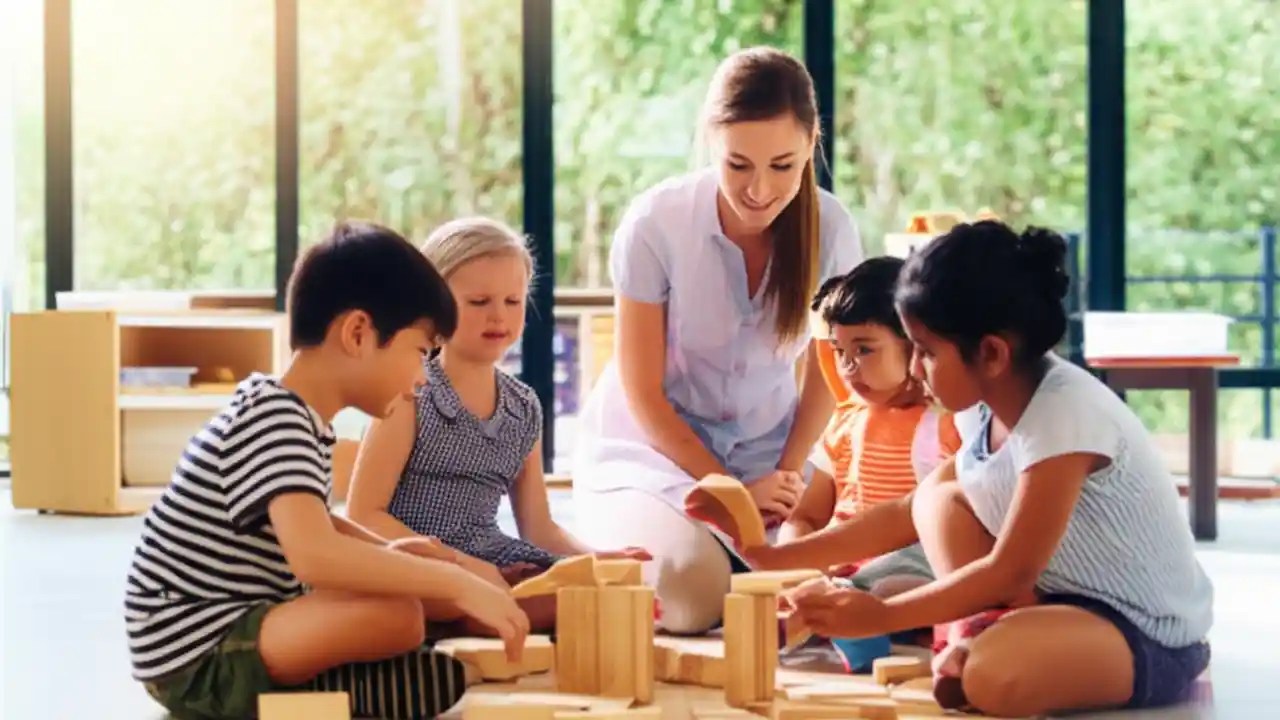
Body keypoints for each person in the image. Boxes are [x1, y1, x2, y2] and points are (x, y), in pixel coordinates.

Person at [747, 221, 1213, 717]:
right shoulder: (982, 404)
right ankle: (985, 634)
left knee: (993, 679)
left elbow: (1011, 571)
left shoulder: (1063, 414)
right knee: (936, 497)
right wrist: (776, 558)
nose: (913, 370)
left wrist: (879, 614)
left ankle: (986, 642)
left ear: (991, 353)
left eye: (925, 353)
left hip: (1143, 629)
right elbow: (908, 512)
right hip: (1058, 600)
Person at [123, 220, 530, 720]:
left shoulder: (292, 414)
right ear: (359, 333)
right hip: (195, 651)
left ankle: (346, 680)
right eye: (419, 352)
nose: (422, 377)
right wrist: (454, 583)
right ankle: (319, 694)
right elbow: (315, 554)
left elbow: (320, 521)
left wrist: (415, 559)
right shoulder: (276, 420)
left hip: (238, 623)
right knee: (400, 609)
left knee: (410, 582)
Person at [570, 45, 865, 634]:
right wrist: (731, 494)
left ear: (812, 144)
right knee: (692, 594)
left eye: (783, 165)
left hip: (771, 456)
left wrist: (782, 482)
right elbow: (644, 395)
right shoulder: (656, 223)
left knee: (849, 570)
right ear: (711, 144)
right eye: (738, 165)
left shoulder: (831, 229)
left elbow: (829, 381)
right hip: (654, 455)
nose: (759, 189)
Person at [347, 217, 649, 632]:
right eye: (478, 302)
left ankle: (504, 614)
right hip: (419, 564)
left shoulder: (524, 407)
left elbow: (539, 527)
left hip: (494, 560)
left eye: (513, 301)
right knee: (559, 607)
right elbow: (364, 515)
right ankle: (491, 616)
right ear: (436, 304)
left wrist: (596, 560)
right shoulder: (410, 393)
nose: (498, 316)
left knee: (602, 591)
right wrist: (460, 567)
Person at [780, 257, 961, 600]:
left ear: (913, 343)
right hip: (839, 567)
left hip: (912, 564)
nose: (847, 367)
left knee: (896, 581)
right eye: (839, 350)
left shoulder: (949, 423)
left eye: (864, 350)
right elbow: (804, 517)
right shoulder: (845, 422)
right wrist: (797, 559)